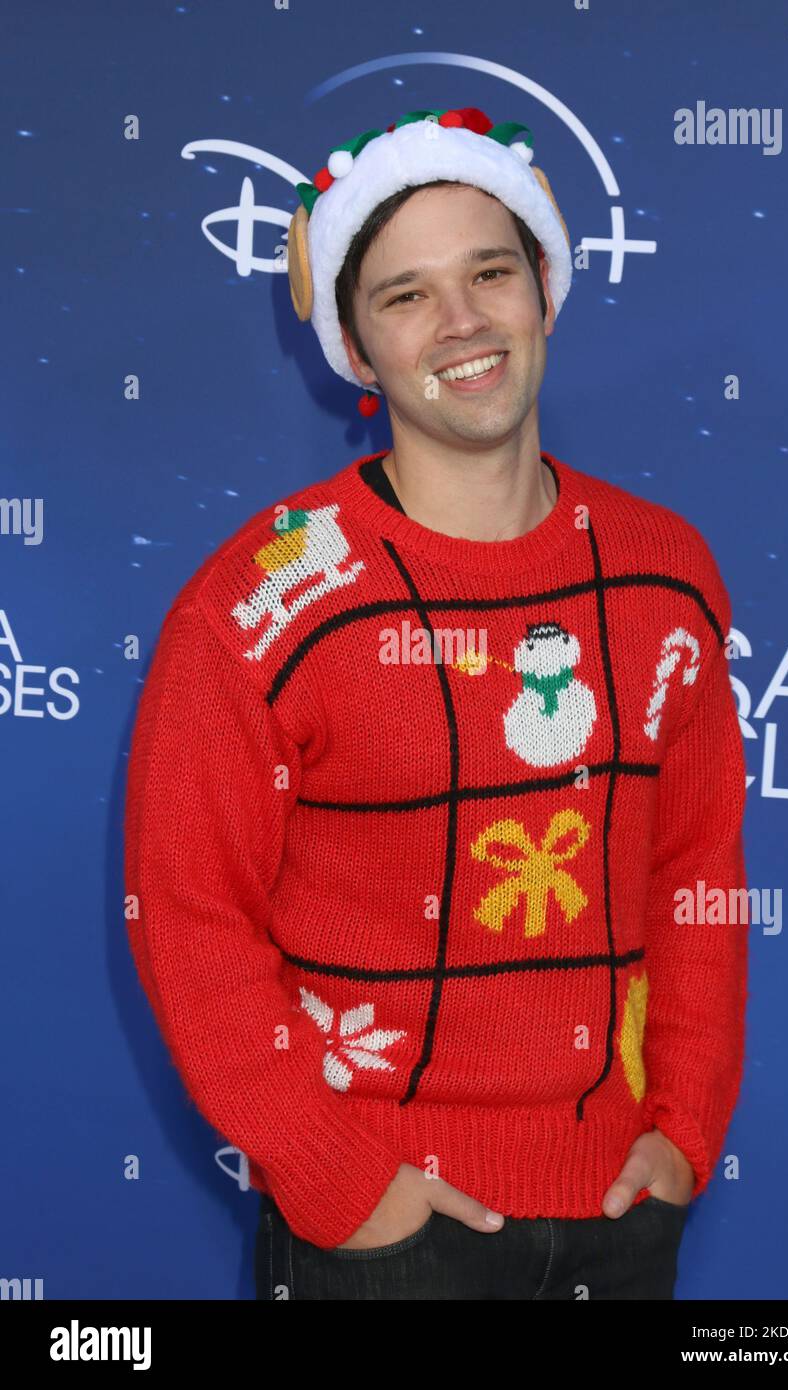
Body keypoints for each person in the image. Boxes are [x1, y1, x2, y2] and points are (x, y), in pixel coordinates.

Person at [124, 106, 749, 1300]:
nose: (460, 323)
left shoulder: (666, 572)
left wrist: (683, 1123)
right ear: (354, 352)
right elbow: (188, 910)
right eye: (405, 296)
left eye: (489, 272)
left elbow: (694, 869)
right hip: (377, 1234)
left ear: (544, 293)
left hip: (623, 1206)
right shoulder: (261, 597)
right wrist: (339, 1179)